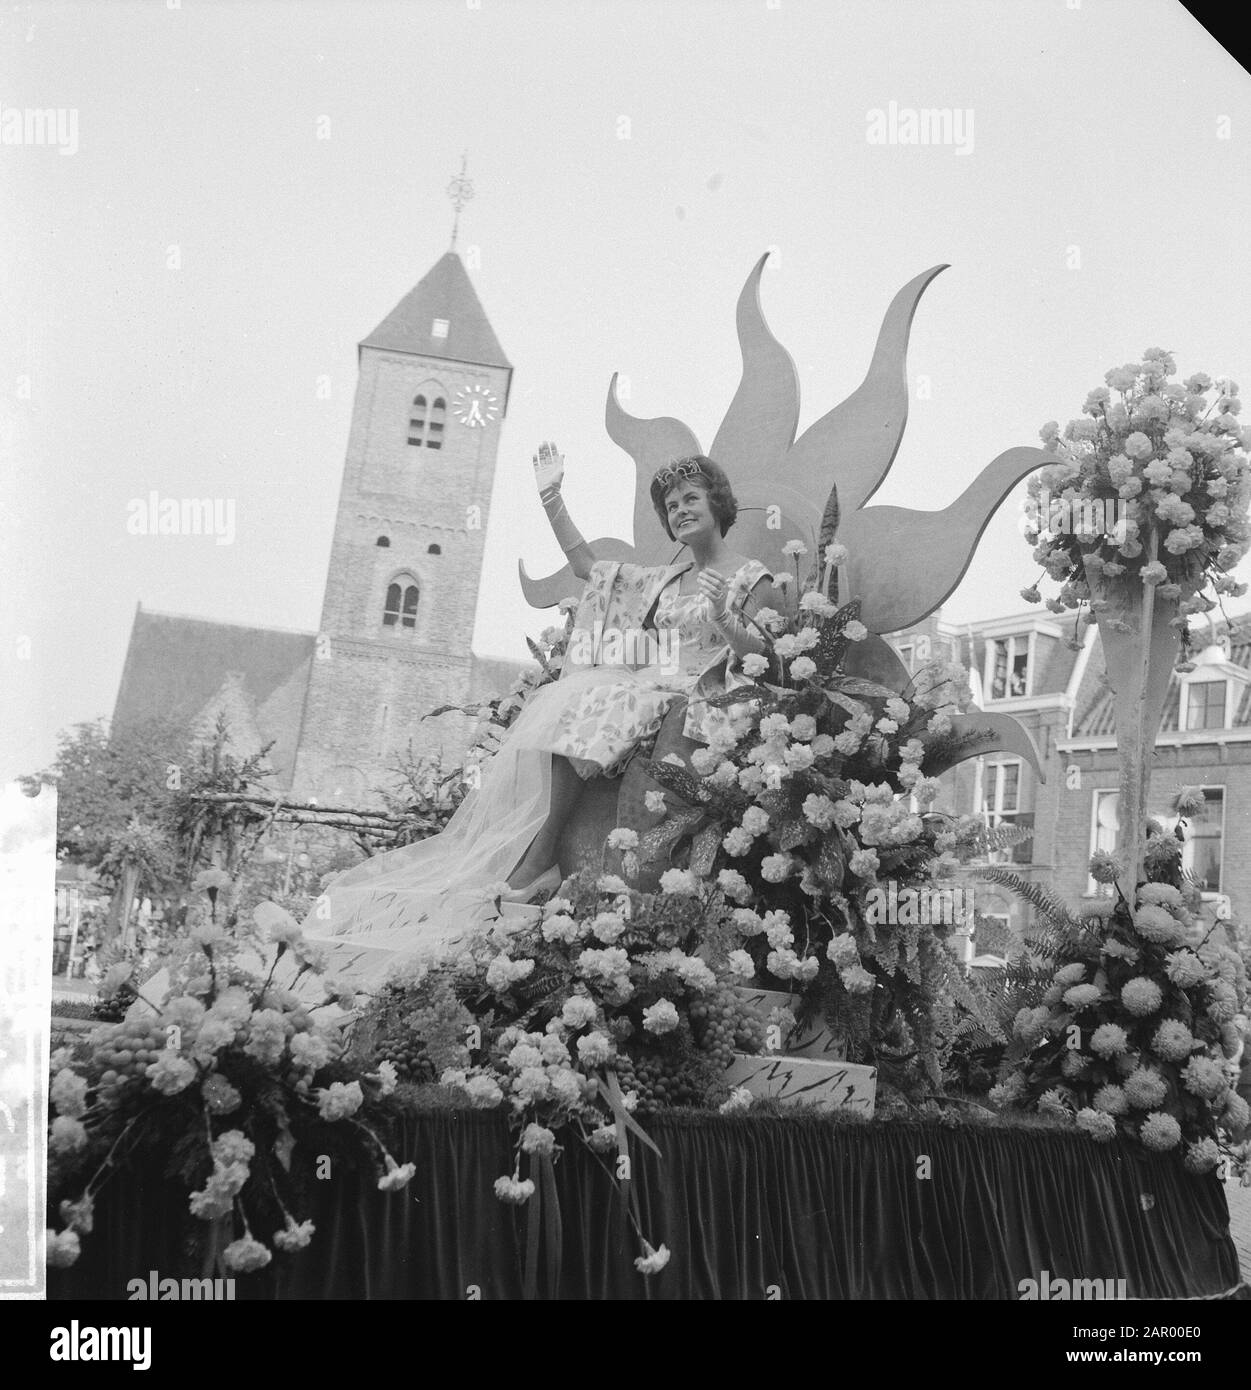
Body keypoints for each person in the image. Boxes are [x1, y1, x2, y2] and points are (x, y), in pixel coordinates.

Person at [303, 442, 782, 988]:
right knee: (576, 697)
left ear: (718, 504)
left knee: (612, 697)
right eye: (671, 505)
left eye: (691, 498)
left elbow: (768, 656)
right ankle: (542, 850)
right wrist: (552, 497)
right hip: (652, 683)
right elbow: (588, 569)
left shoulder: (752, 576)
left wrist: (723, 615)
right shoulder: (664, 580)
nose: (681, 511)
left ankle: (577, 868)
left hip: (711, 691)